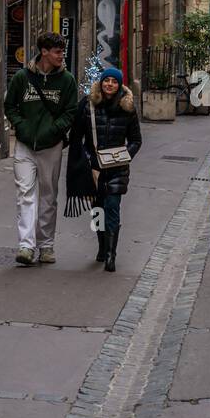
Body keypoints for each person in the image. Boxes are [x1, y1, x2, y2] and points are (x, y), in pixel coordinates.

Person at [4, 32, 78, 266]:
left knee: (48, 196)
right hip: (25, 145)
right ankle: (26, 246)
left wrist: (55, 130)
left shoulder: (67, 80)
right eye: (57, 52)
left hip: (51, 146)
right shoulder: (22, 78)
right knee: (24, 194)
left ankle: (46, 245)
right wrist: (21, 127)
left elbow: (71, 111)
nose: (61, 56)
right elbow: (10, 105)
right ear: (44, 52)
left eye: (62, 52)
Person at [65, 67, 141, 272]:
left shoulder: (128, 108)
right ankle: (101, 246)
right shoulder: (89, 105)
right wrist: (86, 159)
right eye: (106, 80)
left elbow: (135, 140)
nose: (109, 84)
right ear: (101, 83)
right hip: (94, 167)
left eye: (114, 81)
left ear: (119, 85)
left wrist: (125, 155)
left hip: (118, 167)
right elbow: (77, 136)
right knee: (97, 210)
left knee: (113, 207)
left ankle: (110, 255)